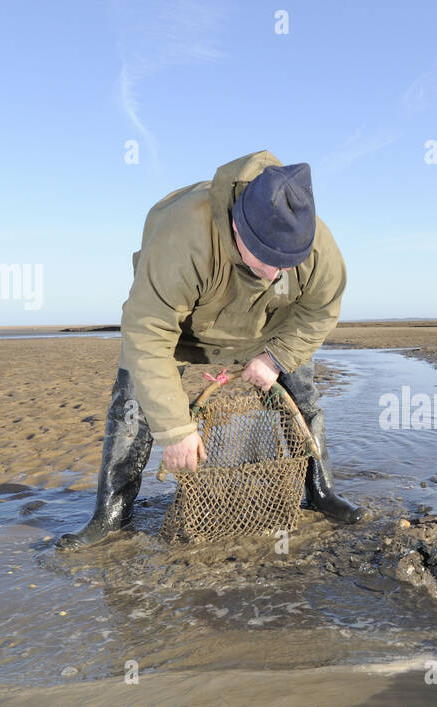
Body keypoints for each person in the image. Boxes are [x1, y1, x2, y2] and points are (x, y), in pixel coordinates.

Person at [58, 150, 367, 550]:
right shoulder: (183, 236)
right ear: (238, 228)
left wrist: (277, 358)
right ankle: (111, 513)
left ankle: (322, 492)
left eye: (289, 263)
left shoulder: (316, 247)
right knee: (132, 408)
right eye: (270, 260)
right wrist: (175, 428)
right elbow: (149, 331)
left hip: (268, 328)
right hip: (183, 331)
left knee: (304, 398)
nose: (278, 273)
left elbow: (321, 310)